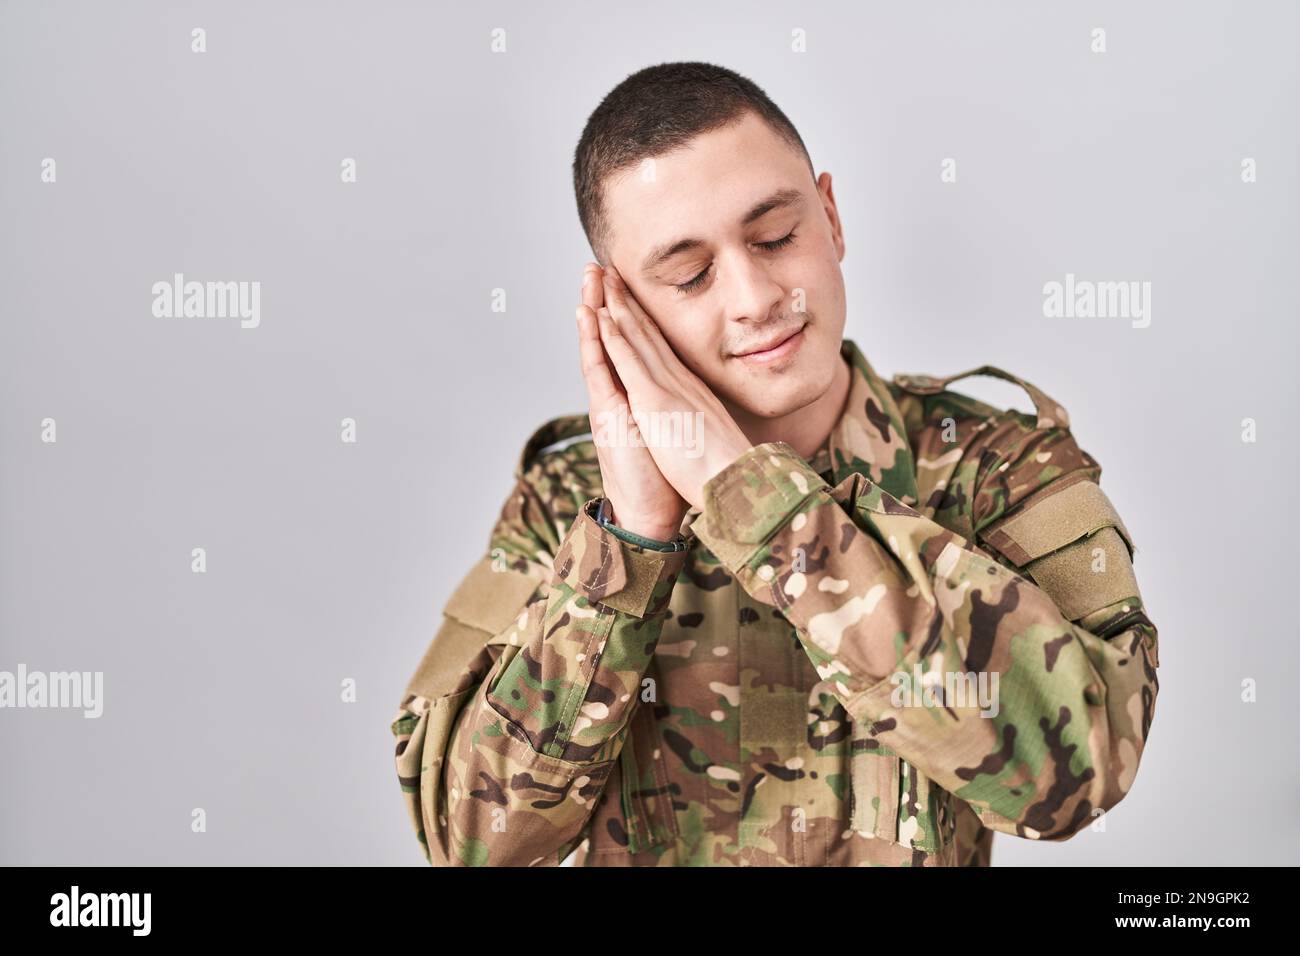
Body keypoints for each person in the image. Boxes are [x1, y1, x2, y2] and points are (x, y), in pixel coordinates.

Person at [390, 61, 1160, 866]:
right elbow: (468, 844)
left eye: (776, 237)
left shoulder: (997, 468)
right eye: (689, 275)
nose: (756, 296)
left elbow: (1080, 777)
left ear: (830, 216)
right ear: (622, 305)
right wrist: (628, 545)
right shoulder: (570, 506)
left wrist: (757, 504)